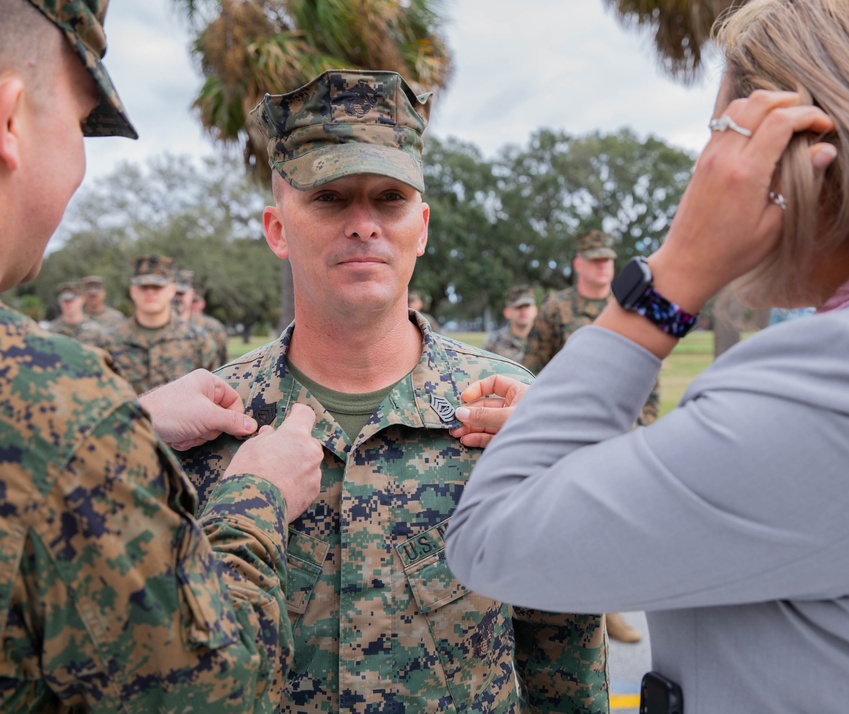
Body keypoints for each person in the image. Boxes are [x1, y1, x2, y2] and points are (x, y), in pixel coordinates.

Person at [446, 1, 849, 711]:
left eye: (722, 140)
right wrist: (571, 442)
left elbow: (493, 538)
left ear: (795, 147)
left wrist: (671, 277)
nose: (707, 170)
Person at [0, 1, 324, 709]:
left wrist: (120, 424)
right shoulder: (46, 397)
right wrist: (259, 496)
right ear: (10, 122)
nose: (78, 165)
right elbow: (214, 694)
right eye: (75, 125)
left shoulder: (52, 412)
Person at [180, 69, 608, 713]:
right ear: (276, 229)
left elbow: (564, 648)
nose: (364, 225)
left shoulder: (508, 409)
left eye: (389, 198)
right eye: (328, 198)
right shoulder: (212, 422)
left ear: (424, 226)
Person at [523, 230, 652, 643]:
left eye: (608, 260)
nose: (603, 266)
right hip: (569, 433)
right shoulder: (557, 308)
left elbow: (651, 368)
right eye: (595, 260)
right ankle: (578, 610)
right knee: (575, 521)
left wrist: (645, 423)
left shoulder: (630, 303)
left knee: (617, 522)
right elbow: (530, 370)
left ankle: (607, 606)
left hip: (621, 433)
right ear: (578, 263)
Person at [100, 254, 221, 394]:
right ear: (132, 291)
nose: (150, 292)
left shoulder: (199, 341)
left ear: (171, 290)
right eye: (143, 286)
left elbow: (215, 395)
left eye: (158, 286)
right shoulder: (110, 342)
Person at [176, 268, 230, 365]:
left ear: (191, 294)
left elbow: (222, 366)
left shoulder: (212, 328)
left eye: (180, 293)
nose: (175, 298)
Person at [483, 284, 538, 364]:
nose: (523, 311)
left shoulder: (546, 339)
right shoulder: (494, 342)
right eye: (518, 307)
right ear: (507, 312)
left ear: (535, 310)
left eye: (527, 306)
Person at [46, 280, 105, 344]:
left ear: (82, 299)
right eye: (65, 300)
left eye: (71, 300)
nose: (68, 304)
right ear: (60, 302)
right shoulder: (51, 330)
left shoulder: (96, 332)